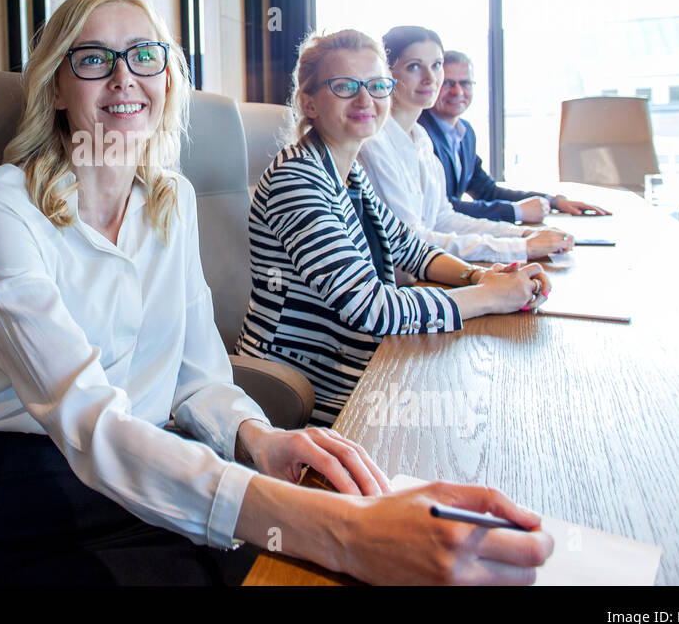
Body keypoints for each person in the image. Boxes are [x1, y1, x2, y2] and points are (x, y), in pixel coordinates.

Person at [0, 0, 553, 586]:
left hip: (157, 475)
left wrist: (259, 437)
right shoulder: (5, 206)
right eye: (93, 60)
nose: (124, 78)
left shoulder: (169, 201)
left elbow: (199, 376)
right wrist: (337, 531)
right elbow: (87, 420)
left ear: (168, 78)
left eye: (145, 55)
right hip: (27, 501)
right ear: (57, 88)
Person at [236, 27, 554, 426]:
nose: (365, 99)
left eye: (377, 85)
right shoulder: (296, 180)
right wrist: (488, 297)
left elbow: (409, 248)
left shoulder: (348, 173)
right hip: (309, 382)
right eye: (345, 86)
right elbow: (369, 307)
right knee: (471, 421)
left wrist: (482, 274)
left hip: (359, 362)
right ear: (310, 103)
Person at [359, 27, 574, 266]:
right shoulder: (374, 144)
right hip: (403, 282)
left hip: (428, 272)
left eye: (436, 65)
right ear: (385, 73)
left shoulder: (420, 138)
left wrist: (521, 234)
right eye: (414, 66)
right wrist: (519, 247)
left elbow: (443, 218)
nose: (430, 78)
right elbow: (410, 241)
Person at [421, 50, 610, 221]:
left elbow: (487, 191)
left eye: (465, 83)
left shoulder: (465, 133)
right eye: (448, 83)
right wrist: (516, 211)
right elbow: (441, 208)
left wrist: (553, 201)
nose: (458, 91)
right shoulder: (420, 134)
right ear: (434, 84)